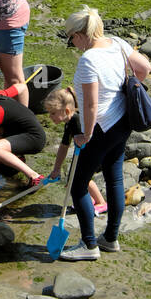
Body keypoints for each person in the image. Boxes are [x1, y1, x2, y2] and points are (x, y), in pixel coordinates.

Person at [59, 5, 151, 261]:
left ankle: (89, 245)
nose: (73, 43)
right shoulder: (118, 43)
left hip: (101, 128)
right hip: (123, 122)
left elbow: (89, 104)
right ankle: (110, 238)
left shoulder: (89, 60)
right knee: (114, 180)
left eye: (71, 38)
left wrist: (85, 135)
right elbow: (145, 69)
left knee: (77, 186)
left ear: (80, 34)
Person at [43, 87, 108, 215]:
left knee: (83, 179)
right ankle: (87, 199)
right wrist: (56, 168)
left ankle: (101, 203)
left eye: (53, 113)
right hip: (83, 153)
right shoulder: (69, 123)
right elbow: (64, 146)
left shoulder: (77, 120)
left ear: (66, 111)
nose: (50, 117)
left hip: (92, 153)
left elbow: (91, 138)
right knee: (74, 178)